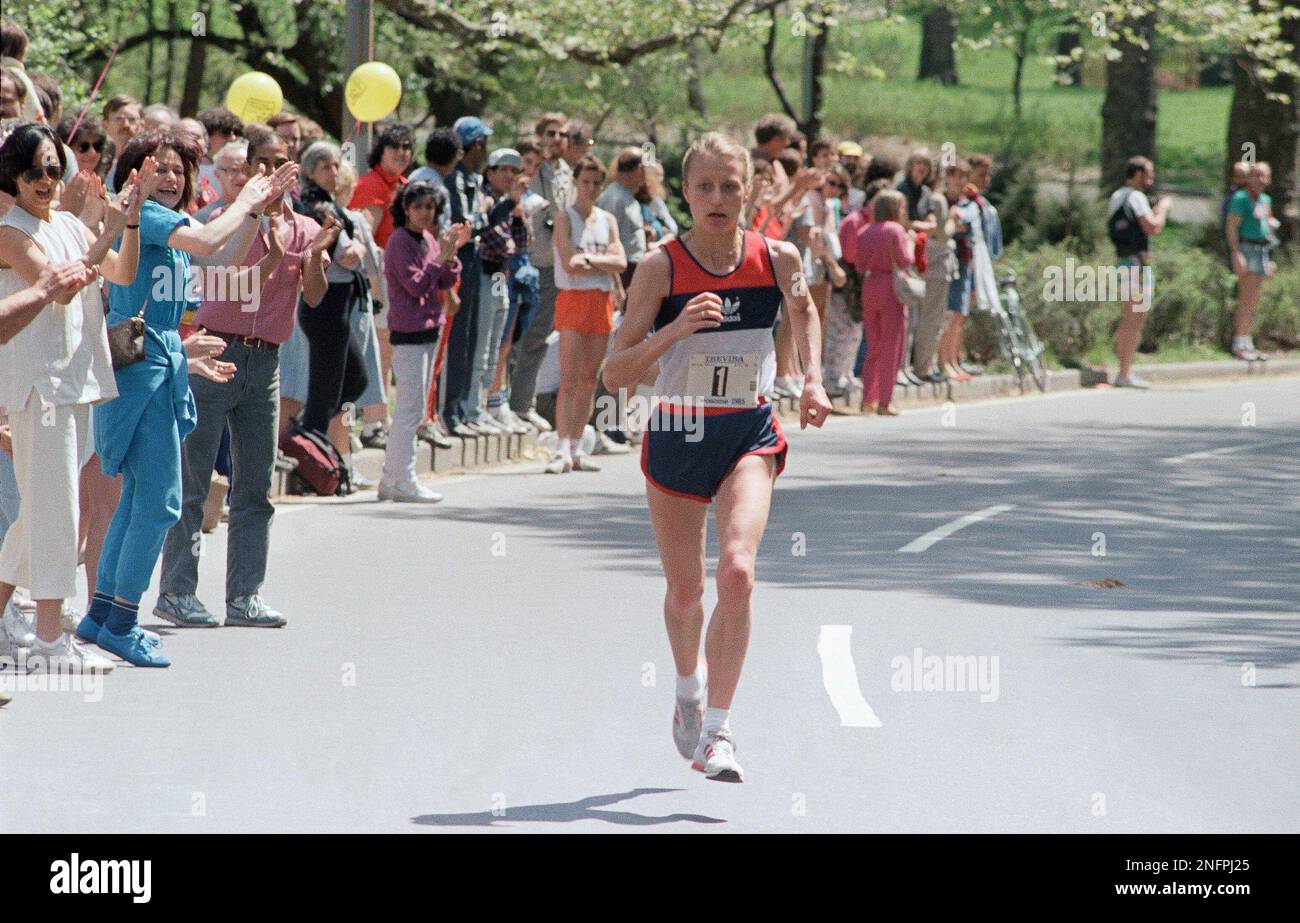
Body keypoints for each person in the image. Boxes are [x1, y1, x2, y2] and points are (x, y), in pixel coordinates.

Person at [603, 132, 831, 782]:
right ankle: (687, 689)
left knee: (737, 570)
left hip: (747, 433)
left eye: (731, 186)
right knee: (685, 589)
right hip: (678, 432)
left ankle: (719, 730)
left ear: (751, 189)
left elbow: (805, 308)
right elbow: (616, 373)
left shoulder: (777, 256)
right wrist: (675, 329)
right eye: (704, 186)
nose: (718, 198)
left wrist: (812, 378)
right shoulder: (660, 267)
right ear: (684, 191)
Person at [74, 129, 293, 663]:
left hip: (157, 361)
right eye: (160, 168)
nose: (170, 178)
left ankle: (102, 616)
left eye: (178, 171)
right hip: (141, 368)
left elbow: (222, 259)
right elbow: (207, 244)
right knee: (162, 503)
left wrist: (257, 212)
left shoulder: (158, 220)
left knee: (137, 498)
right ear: (134, 174)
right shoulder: (143, 215)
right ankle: (123, 620)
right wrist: (244, 199)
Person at [156, 126, 326, 632]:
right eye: (263, 162)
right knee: (193, 480)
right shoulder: (217, 220)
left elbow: (313, 296)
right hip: (215, 352)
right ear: (250, 168)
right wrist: (257, 230)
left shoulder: (305, 228)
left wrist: (313, 259)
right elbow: (215, 282)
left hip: (266, 362)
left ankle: (245, 596)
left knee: (255, 487)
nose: (272, 171)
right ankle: (177, 593)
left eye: (281, 161)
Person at [0, 121, 147, 672]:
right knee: (57, 513)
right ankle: (47, 640)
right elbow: (58, 288)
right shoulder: (10, 231)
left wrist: (127, 216)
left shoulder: (64, 222)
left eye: (53, 170)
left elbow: (122, 270)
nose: (45, 180)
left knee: (37, 513)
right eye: (34, 171)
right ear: (13, 176)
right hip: (40, 387)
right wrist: (107, 226)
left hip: (76, 382)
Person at [381, 182, 467, 502]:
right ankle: (403, 477)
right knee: (409, 410)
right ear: (405, 208)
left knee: (413, 409)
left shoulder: (428, 238)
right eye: (417, 206)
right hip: (409, 332)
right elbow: (416, 286)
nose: (424, 213)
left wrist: (450, 253)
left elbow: (444, 279)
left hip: (429, 330)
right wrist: (440, 257)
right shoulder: (399, 242)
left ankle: (392, 477)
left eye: (429, 207)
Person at [292, 140, 372, 465]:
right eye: (326, 166)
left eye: (337, 166)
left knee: (354, 380)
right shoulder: (320, 207)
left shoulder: (327, 202)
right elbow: (349, 257)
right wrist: (363, 244)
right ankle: (312, 459)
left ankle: (323, 451)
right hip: (325, 303)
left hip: (339, 304)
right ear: (311, 171)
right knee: (325, 390)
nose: (334, 173)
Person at [546, 153, 625, 474]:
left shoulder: (607, 220)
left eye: (596, 183)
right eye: (585, 182)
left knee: (590, 378)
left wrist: (589, 260)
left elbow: (620, 261)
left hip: (601, 300)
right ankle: (561, 446)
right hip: (573, 299)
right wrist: (600, 261)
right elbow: (569, 263)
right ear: (576, 182)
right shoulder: (565, 217)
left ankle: (578, 446)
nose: (591, 188)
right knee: (569, 376)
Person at [508, 112, 571, 435]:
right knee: (508, 340)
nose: (556, 139)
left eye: (561, 134)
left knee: (536, 339)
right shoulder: (525, 173)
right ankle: (506, 404)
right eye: (550, 133)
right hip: (519, 264)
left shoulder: (565, 174)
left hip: (549, 266)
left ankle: (522, 403)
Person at [440, 116, 492, 437]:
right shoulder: (455, 180)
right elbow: (465, 224)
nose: (485, 150)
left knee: (471, 337)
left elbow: (479, 225)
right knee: (456, 337)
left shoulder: (474, 180)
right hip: (458, 261)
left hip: (474, 264)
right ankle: (448, 410)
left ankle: (459, 407)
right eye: (482, 143)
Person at [479, 147, 533, 435]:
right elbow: (500, 241)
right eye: (503, 170)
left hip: (507, 277)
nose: (510, 176)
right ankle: (484, 404)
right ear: (490, 172)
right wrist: (511, 204)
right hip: (486, 276)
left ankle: (493, 403)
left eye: (514, 171)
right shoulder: (486, 198)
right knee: (488, 345)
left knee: (503, 342)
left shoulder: (510, 202)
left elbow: (524, 241)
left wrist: (517, 208)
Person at [1106, 155, 1171, 388]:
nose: (1151, 179)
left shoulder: (1117, 196)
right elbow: (1152, 227)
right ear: (1137, 174)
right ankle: (1124, 373)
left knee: (1131, 316)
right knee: (1135, 318)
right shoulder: (1136, 197)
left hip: (1124, 261)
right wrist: (1162, 209)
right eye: (1149, 174)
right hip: (1137, 263)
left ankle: (1125, 370)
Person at [855, 190, 915, 416]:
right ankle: (885, 401)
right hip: (891, 286)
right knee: (892, 345)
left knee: (873, 345)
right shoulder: (896, 230)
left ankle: (866, 399)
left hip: (870, 285)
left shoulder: (864, 231)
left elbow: (859, 264)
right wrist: (909, 242)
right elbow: (905, 261)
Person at [1225, 161, 1276, 360]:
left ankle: (1248, 341)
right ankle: (1239, 342)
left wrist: (1271, 258)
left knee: (1254, 299)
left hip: (1262, 248)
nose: (1260, 179)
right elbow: (1231, 227)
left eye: (1264, 175)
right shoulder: (1240, 198)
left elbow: (1269, 227)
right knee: (1245, 298)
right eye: (1256, 175)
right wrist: (1236, 253)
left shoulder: (1265, 200)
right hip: (1247, 248)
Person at [349, 122, 414, 249]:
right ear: (381, 152)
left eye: (406, 146)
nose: (401, 152)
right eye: (394, 146)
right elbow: (363, 241)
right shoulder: (371, 184)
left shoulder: (406, 185)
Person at [597, 147, 647, 289]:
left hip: (633, 267)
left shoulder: (627, 195)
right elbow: (606, 239)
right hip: (622, 270)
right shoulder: (614, 197)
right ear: (638, 169)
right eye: (644, 169)